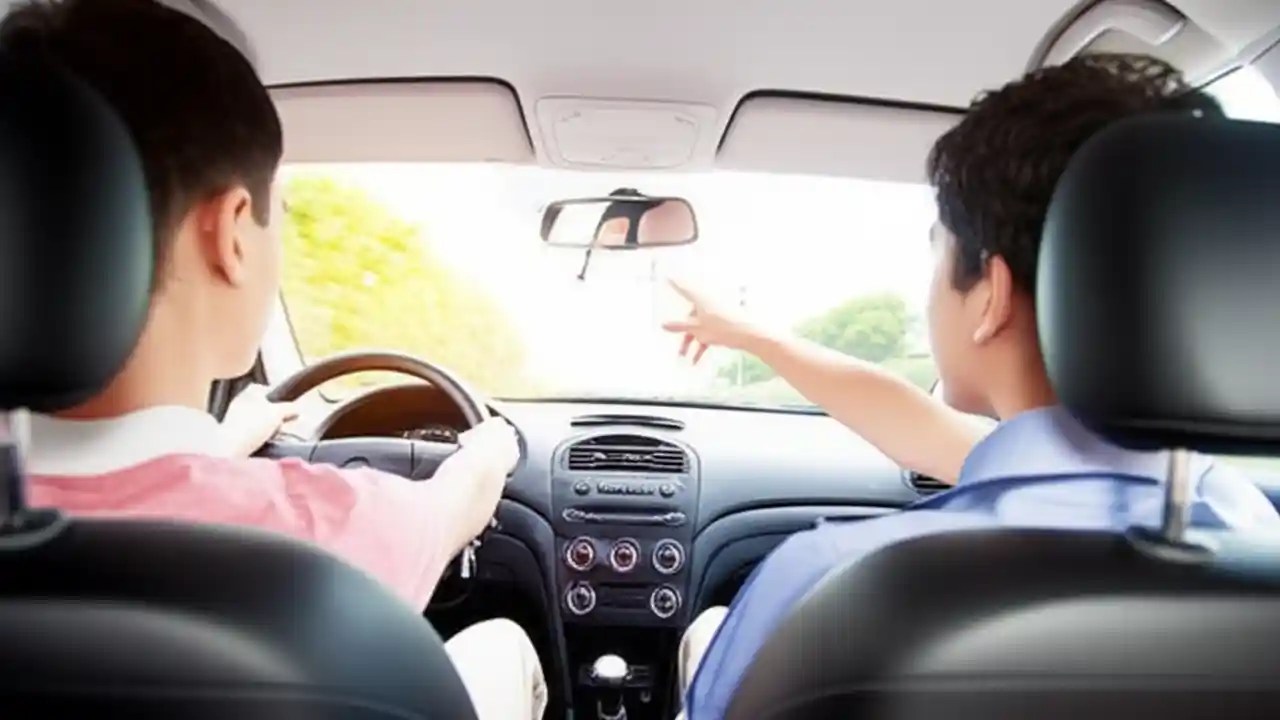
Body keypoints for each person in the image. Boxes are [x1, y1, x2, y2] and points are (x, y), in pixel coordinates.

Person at [664, 54, 1280, 720]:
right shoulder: (1254, 534)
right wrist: (757, 338)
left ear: (991, 294)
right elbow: (925, 430)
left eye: (938, 249)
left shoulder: (831, 587)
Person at [3, 2, 544, 718]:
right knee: (503, 647)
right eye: (276, 219)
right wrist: (492, 448)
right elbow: (457, 505)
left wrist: (229, 440)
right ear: (232, 234)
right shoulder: (330, 537)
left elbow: (107, 487)